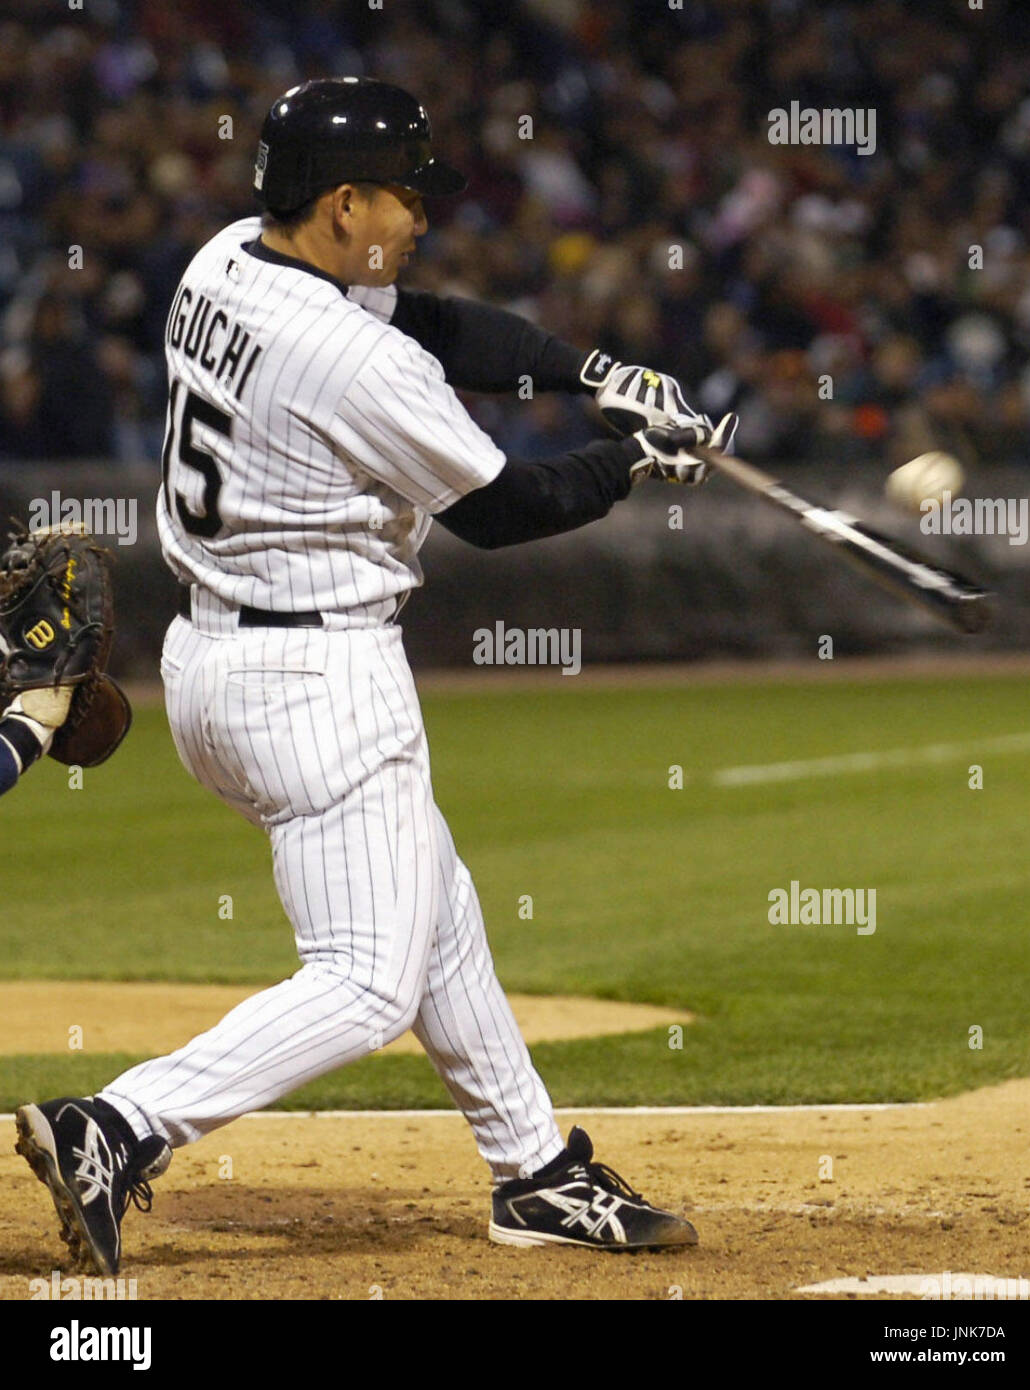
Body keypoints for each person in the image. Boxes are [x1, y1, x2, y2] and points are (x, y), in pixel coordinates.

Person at [16, 77, 736, 1275]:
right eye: (403, 193)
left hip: (212, 660)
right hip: (320, 678)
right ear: (342, 202)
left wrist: (588, 370)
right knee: (364, 977)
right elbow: (503, 511)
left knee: (435, 904)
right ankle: (122, 1125)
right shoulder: (351, 359)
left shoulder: (224, 259)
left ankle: (534, 1171)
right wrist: (633, 460)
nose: (420, 214)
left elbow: (439, 320)